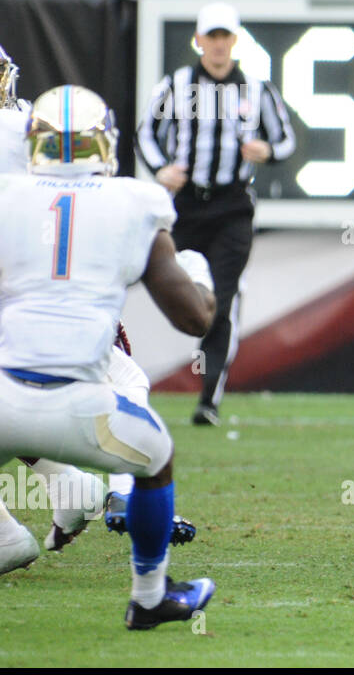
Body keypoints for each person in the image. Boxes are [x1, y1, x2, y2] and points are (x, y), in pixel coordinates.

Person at [0, 84, 218, 628]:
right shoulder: (134, 202)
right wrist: (198, 274)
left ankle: (49, 505)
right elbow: (195, 319)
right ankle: (148, 598)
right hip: (82, 405)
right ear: (105, 144)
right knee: (155, 457)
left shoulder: (5, 195)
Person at [137, 2, 295, 426]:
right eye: (213, 36)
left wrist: (268, 151)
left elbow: (285, 140)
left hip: (232, 207)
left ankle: (208, 399)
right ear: (199, 40)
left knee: (220, 302)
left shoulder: (257, 89)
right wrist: (161, 169)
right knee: (179, 291)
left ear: (234, 41)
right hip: (187, 205)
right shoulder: (177, 85)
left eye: (226, 36)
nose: (219, 44)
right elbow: (145, 133)